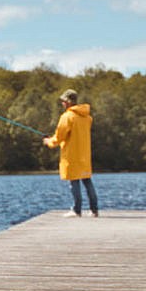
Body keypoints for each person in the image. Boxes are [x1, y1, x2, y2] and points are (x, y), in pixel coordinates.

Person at [43, 89, 99, 218]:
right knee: (87, 181)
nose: (62, 103)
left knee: (74, 182)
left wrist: (48, 141)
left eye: (63, 101)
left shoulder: (67, 117)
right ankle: (94, 210)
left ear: (68, 102)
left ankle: (76, 210)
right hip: (84, 154)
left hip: (72, 155)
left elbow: (59, 137)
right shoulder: (87, 117)